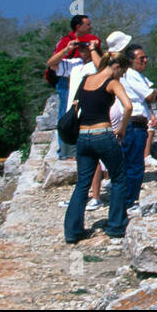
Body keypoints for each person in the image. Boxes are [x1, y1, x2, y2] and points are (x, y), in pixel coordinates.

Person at [64, 51, 133, 244]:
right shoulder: (111, 83)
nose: (121, 76)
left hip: (83, 136)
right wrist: (122, 128)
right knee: (119, 177)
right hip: (102, 134)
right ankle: (116, 226)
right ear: (116, 67)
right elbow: (128, 106)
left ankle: (72, 231)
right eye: (122, 72)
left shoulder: (86, 79)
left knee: (82, 183)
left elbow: (76, 105)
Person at [112, 44, 157, 212]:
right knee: (135, 165)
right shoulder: (132, 75)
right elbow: (150, 95)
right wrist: (155, 94)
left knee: (127, 164)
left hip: (133, 123)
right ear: (130, 60)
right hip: (133, 124)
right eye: (141, 58)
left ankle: (122, 201)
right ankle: (129, 202)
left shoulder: (130, 75)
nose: (145, 60)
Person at [47, 15, 100, 160]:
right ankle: (66, 153)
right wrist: (66, 50)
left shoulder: (95, 65)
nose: (82, 49)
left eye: (85, 46)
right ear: (78, 26)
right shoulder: (74, 61)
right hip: (69, 94)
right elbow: (51, 64)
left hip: (91, 110)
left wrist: (94, 50)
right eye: (80, 46)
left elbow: (102, 66)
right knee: (66, 118)